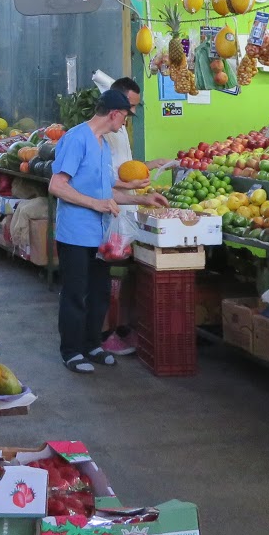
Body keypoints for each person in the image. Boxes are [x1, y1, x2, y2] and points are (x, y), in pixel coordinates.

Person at [47, 89, 143, 374]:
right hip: (75, 234)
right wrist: (96, 204)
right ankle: (71, 351)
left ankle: (92, 344)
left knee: (99, 292)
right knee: (76, 293)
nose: (124, 123)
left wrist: (143, 199)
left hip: (99, 236)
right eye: (125, 117)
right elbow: (57, 186)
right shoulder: (77, 140)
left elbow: (108, 191)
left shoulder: (103, 145)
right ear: (114, 114)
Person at [99, 77, 170, 358]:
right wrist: (132, 189)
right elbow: (107, 176)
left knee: (124, 273)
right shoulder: (105, 132)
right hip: (111, 211)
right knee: (107, 275)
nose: (132, 113)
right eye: (129, 106)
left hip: (124, 211)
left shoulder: (121, 129)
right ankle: (106, 334)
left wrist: (149, 166)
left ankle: (124, 329)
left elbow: (125, 168)